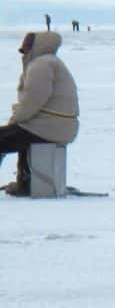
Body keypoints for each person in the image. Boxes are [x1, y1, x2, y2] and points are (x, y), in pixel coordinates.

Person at [1, 32, 80, 197]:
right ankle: (26, 183)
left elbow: (33, 100)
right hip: (57, 126)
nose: (23, 52)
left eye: (27, 47)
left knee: (10, 136)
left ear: (37, 46)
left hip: (47, 127)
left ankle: (25, 184)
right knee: (20, 135)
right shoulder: (51, 62)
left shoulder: (41, 65)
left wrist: (15, 119)